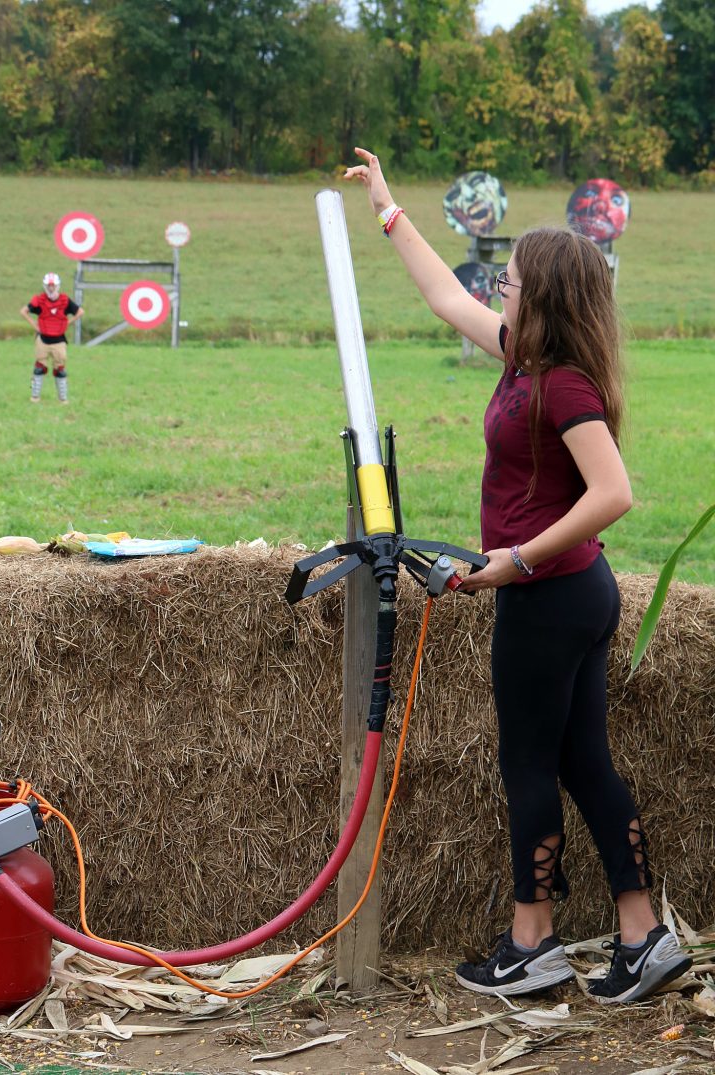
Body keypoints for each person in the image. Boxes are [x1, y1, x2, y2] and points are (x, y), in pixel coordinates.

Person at [344, 147, 692, 1004]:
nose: (501, 283)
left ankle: (531, 942)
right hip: (572, 593)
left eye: (514, 277)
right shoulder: (521, 357)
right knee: (583, 762)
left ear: (544, 296)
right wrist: (387, 205)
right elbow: (443, 295)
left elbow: (614, 492)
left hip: (550, 597)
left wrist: (518, 560)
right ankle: (643, 934)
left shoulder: (563, 386)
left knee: (529, 765)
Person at [20, 273, 83, 404]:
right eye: (48, 286)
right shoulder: (40, 300)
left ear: (57, 286)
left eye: (53, 285)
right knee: (39, 368)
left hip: (59, 341)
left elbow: (80, 312)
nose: (51, 288)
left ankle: (63, 399)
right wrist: (35, 325)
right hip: (43, 340)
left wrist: (67, 323)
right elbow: (23, 311)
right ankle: (34, 397)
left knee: (60, 370)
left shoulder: (65, 301)